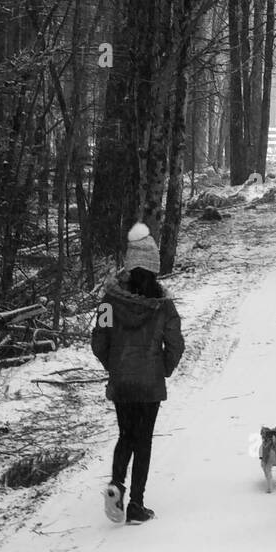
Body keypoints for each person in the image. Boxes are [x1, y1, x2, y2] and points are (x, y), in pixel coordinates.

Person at [91, 222, 184, 524]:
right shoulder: (163, 305)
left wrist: (113, 365)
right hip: (149, 384)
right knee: (143, 440)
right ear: (154, 268)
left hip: (122, 382)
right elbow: (176, 343)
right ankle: (136, 505)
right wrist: (163, 368)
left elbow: (98, 341)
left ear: (129, 267)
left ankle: (116, 486)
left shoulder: (108, 302)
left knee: (125, 435)